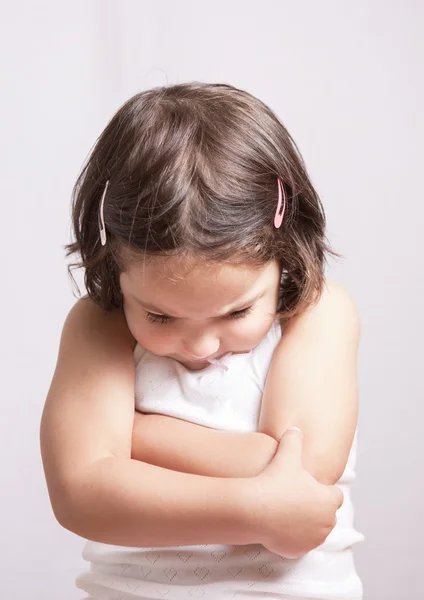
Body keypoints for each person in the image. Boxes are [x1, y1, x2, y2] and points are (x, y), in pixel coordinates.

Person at [40, 82, 364, 600]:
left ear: (285, 249)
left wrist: (131, 437)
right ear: (114, 267)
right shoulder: (99, 328)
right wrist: (255, 510)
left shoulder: (315, 314)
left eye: (236, 311)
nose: (203, 345)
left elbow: (300, 475)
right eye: (160, 316)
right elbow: (80, 496)